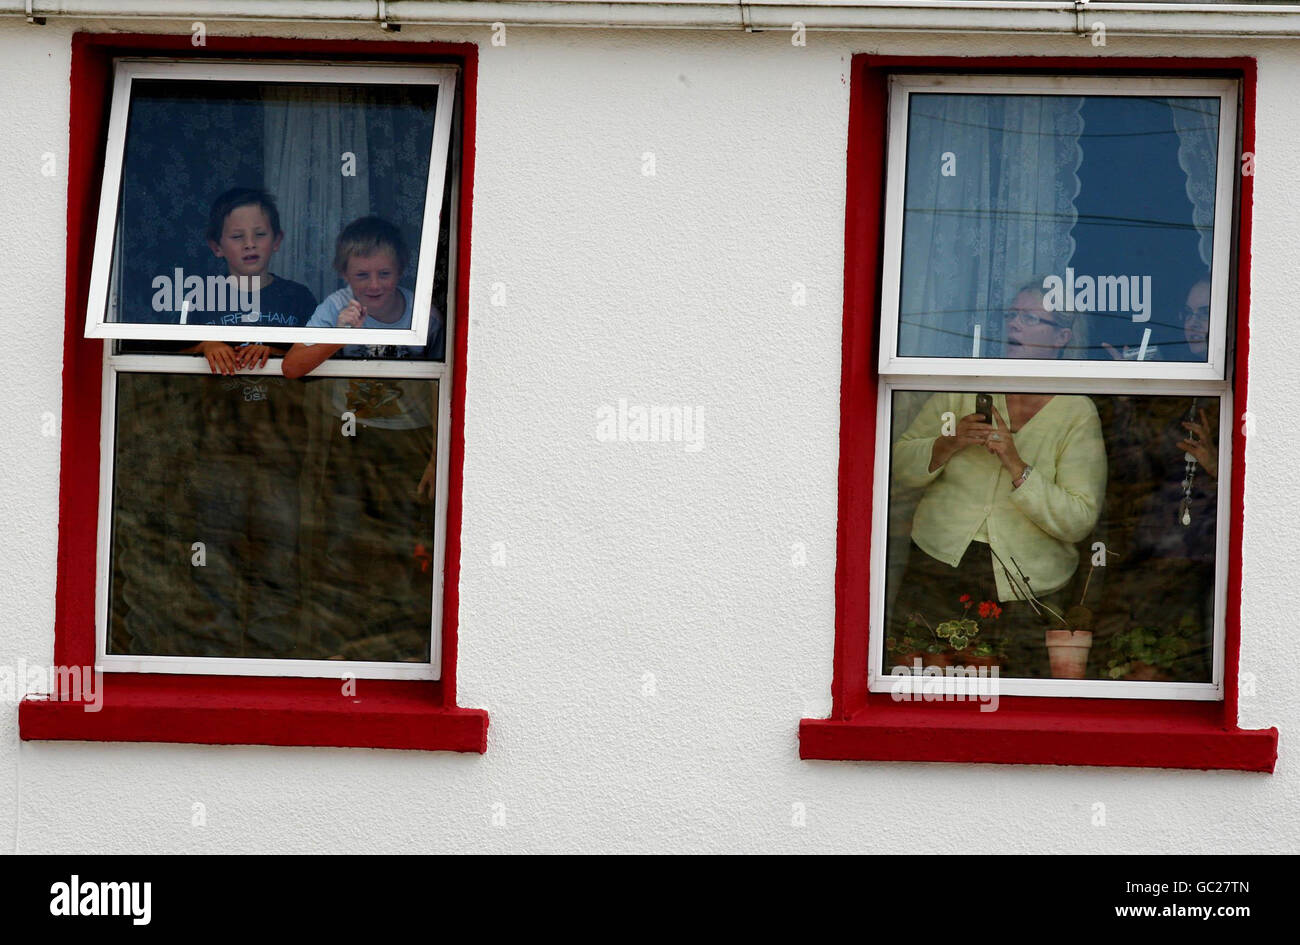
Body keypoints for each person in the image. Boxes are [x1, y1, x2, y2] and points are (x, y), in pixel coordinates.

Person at [888, 281, 1108, 676]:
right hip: (938, 562)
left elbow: (1079, 519)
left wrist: (1015, 463)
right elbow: (897, 466)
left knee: (1009, 695)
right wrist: (946, 444)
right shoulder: (971, 385)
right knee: (924, 684)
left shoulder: (1077, 411)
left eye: (1029, 318)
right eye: (1011, 316)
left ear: (1062, 337)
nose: (1015, 326)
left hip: (1026, 584)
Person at [283, 217, 444, 660]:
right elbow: (293, 367)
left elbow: (443, 391)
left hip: (406, 443)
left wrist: (435, 455)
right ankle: (340, 639)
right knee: (343, 537)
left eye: (384, 274)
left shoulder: (424, 315)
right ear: (343, 273)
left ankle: (395, 641)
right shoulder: (336, 306)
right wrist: (340, 335)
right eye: (362, 275)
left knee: (399, 541)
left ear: (403, 270)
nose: (374, 285)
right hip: (349, 441)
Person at [186, 188, 317, 657]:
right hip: (217, 442)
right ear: (216, 246)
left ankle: (272, 644)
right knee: (217, 537)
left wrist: (278, 352)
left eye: (259, 234)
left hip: (280, 443)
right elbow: (160, 347)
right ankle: (217, 640)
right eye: (237, 236)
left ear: (278, 240)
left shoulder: (298, 297)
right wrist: (206, 346)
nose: (249, 243)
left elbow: (313, 354)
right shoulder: (199, 295)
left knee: (279, 538)